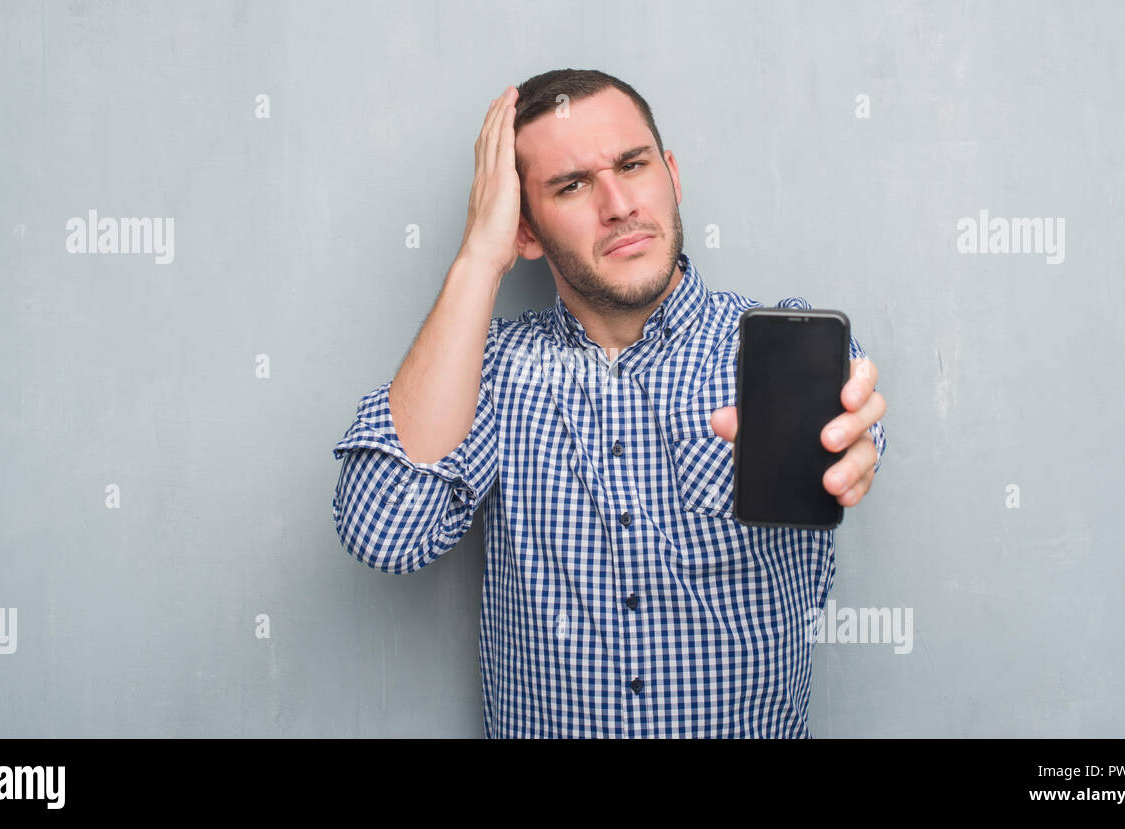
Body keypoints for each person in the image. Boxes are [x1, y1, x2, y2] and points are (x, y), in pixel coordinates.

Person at [331, 69, 888, 738]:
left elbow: (845, 432)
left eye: (633, 164)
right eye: (571, 185)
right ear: (526, 232)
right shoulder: (493, 372)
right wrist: (480, 255)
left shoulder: (775, 349)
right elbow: (384, 533)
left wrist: (843, 448)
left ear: (672, 176)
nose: (619, 204)